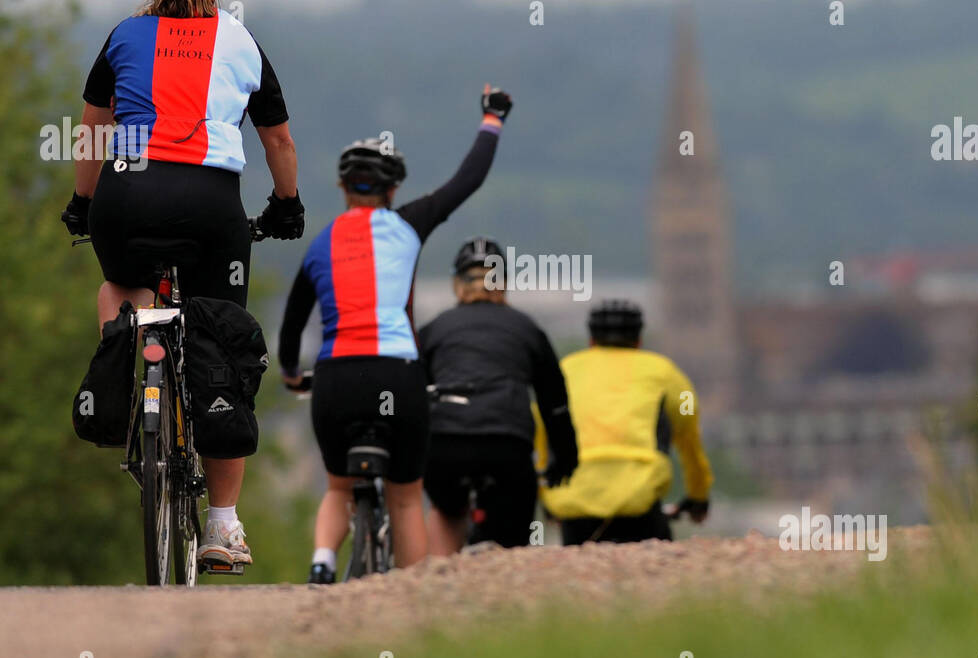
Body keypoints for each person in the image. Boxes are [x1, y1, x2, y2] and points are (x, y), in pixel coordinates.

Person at [60, 0, 306, 569]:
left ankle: (131, 380)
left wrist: (84, 205)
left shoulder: (121, 36)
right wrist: (286, 205)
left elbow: (91, 133)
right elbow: (278, 141)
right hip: (209, 204)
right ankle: (223, 526)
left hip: (127, 195)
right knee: (220, 335)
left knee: (122, 287)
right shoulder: (242, 40)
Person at [278, 87, 514, 584]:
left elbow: (293, 322)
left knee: (339, 487)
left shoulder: (321, 245)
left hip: (336, 378)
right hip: (396, 376)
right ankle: (411, 597)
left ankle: (322, 559)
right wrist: (492, 119)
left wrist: (293, 373)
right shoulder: (409, 224)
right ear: (392, 192)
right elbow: (467, 180)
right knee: (407, 495)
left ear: (344, 190)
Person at [417, 237, 579, 554]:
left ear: (457, 284)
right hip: (508, 444)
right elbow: (554, 403)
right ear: (502, 283)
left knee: (446, 510)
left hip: (446, 445)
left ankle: (437, 580)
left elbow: (412, 396)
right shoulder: (527, 329)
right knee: (512, 544)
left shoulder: (434, 330)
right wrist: (566, 458)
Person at [540, 300, 714, 544]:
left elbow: (541, 435)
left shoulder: (564, 370)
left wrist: (547, 496)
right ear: (638, 341)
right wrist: (699, 496)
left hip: (573, 499)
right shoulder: (665, 372)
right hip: (639, 498)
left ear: (591, 341)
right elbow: (689, 441)